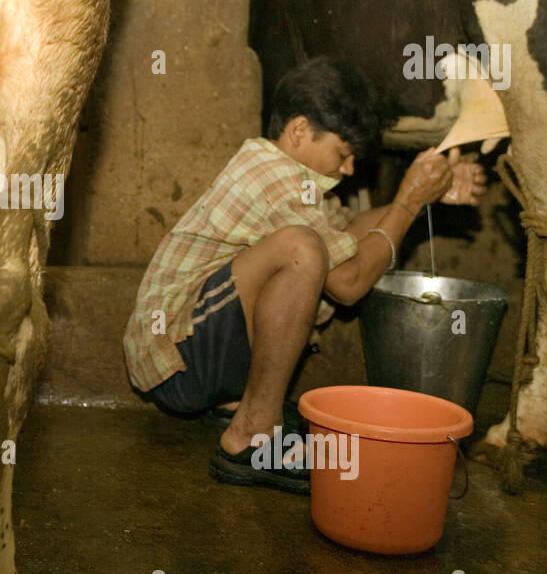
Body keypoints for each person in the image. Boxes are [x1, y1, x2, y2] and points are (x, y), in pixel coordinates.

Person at [123, 57, 486, 493]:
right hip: (177, 360)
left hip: (195, 361)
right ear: (298, 130)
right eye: (344, 152)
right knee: (300, 248)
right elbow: (348, 283)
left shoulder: (294, 178)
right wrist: (407, 202)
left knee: (312, 244)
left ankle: (239, 407)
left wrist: (430, 196)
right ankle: (250, 436)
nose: (349, 169)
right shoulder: (275, 178)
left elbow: (350, 234)